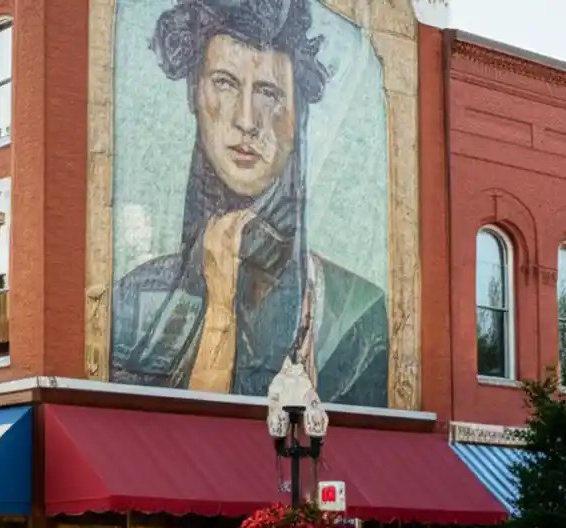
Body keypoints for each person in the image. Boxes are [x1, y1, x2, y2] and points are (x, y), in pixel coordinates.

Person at [110, 0, 390, 406]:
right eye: (224, 82)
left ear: (298, 116)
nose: (247, 119)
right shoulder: (135, 303)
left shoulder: (353, 317)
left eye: (269, 93)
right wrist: (220, 310)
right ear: (194, 94)